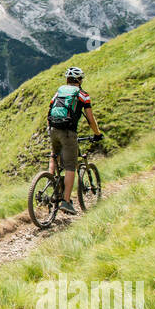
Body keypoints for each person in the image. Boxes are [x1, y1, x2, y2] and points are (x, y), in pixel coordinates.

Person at [47, 66, 103, 215]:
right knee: (71, 166)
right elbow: (90, 119)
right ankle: (66, 202)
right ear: (79, 80)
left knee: (54, 155)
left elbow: (50, 109)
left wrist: (50, 130)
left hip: (53, 129)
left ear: (67, 80)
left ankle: (49, 180)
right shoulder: (83, 95)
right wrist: (97, 133)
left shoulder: (59, 91)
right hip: (68, 132)